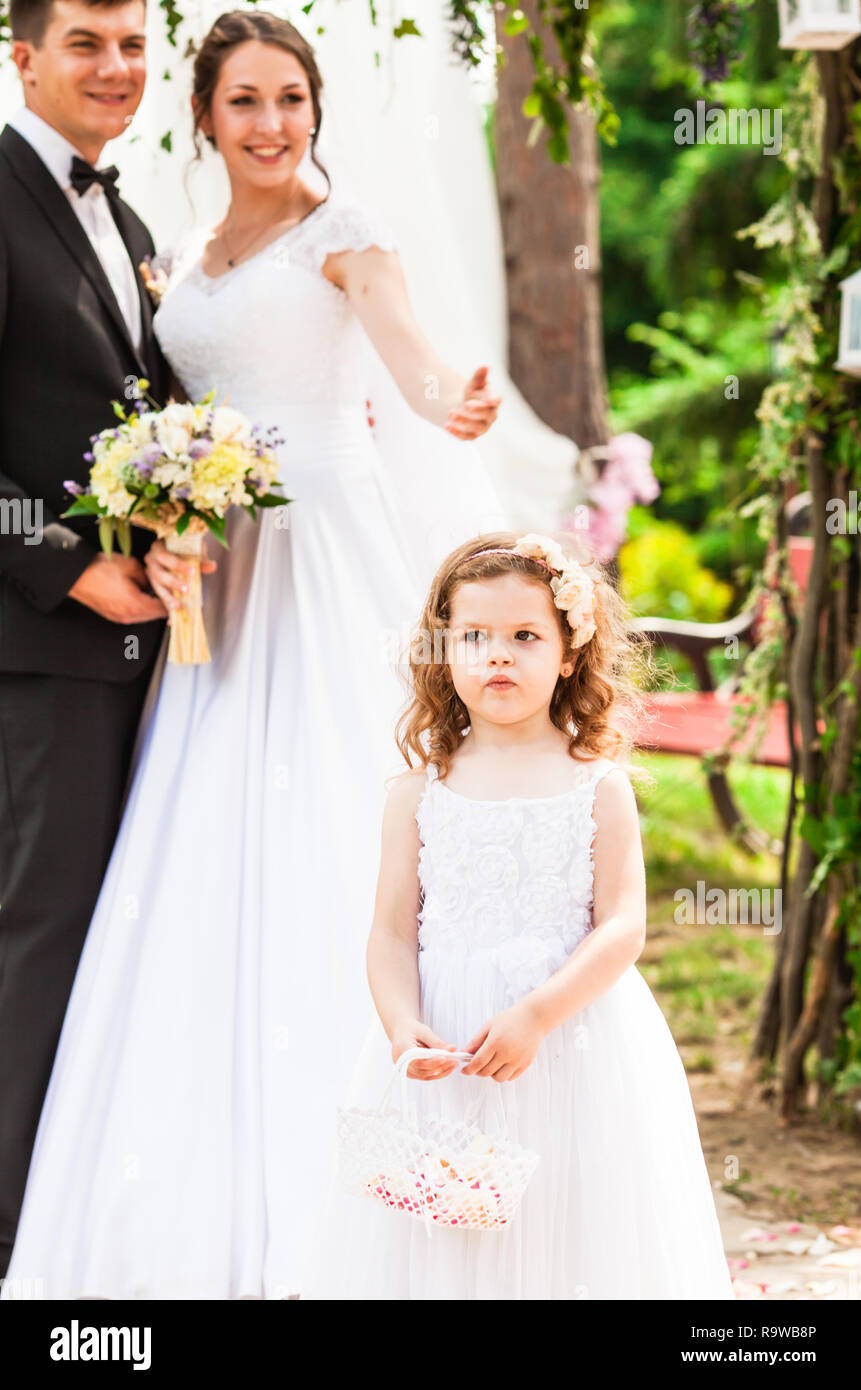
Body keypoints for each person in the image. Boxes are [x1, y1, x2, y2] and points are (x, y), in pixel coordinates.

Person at [1, 10, 505, 1300]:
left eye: (291, 99)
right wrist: (109, 541)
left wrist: (452, 392)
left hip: (320, 565)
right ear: (208, 118)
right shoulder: (186, 256)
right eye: (243, 102)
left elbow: (407, 350)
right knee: (185, 867)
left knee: (348, 848)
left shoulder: (335, 234)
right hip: (201, 606)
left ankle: (401, 1197)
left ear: (315, 110)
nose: (271, 123)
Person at [308, 531, 735, 1299]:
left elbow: (622, 927)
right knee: (447, 1220)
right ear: (444, 651)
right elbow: (391, 931)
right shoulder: (417, 791)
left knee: (567, 1218)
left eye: (524, 637)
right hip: (449, 1043)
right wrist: (403, 1027)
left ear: (570, 653)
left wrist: (538, 1015)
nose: (496, 656)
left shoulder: (597, 786)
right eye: (474, 637)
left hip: (570, 1039)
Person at [0, 0, 171, 1281]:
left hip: (155, 658)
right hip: (36, 651)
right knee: (41, 938)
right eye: (86, 46)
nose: (116, 69)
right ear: (24, 60)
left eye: (132, 45)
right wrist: (66, 570)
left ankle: (90, 1228)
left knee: (123, 942)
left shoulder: (137, 222)